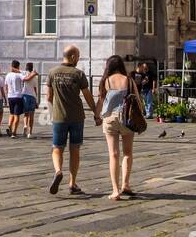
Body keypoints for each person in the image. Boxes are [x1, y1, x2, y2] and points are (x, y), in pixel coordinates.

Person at [45, 45, 101, 195]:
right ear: (73, 57)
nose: (79, 59)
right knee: (75, 149)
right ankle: (72, 183)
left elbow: (48, 97)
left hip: (59, 117)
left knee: (57, 148)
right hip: (77, 117)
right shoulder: (78, 74)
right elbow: (88, 96)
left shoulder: (52, 73)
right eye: (78, 56)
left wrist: (52, 113)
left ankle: (58, 171)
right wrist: (96, 113)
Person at [97, 55, 139, 201]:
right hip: (126, 119)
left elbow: (101, 100)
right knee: (127, 153)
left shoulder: (105, 81)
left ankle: (115, 190)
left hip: (109, 119)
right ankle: (126, 184)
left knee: (113, 155)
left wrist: (97, 116)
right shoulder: (129, 80)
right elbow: (137, 100)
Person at [5, 60, 26, 138]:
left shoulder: (7, 75)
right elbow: (25, 78)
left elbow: (6, 86)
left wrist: (7, 94)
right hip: (18, 96)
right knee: (17, 115)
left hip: (10, 96)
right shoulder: (18, 75)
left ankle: (9, 126)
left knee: (11, 113)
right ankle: (14, 132)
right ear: (18, 66)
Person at [20, 62, 39, 138]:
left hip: (25, 95)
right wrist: (36, 100)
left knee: (26, 113)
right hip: (32, 96)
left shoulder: (24, 74)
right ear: (32, 68)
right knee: (31, 115)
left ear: (26, 67)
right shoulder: (34, 77)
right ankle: (30, 133)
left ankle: (25, 125)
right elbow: (35, 89)